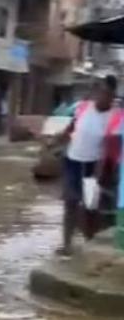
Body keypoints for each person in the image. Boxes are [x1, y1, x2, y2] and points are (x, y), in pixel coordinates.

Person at [57, 75, 120, 255]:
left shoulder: (115, 117)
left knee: (90, 208)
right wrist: (56, 141)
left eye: (106, 93)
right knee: (70, 203)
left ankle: (89, 244)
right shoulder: (83, 107)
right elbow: (71, 128)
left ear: (112, 95)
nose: (101, 96)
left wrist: (98, 175)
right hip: (72, 161)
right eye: (100, 91)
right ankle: (66, 245)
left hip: (93, 166)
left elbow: (108, 148)